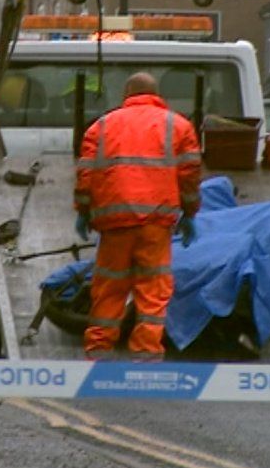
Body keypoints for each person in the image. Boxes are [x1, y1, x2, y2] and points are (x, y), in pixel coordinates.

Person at [74, 72, 202, 361]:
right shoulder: (178, 126)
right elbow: (190, 175)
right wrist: (190, 212)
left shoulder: (101, 127)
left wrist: (83, 211)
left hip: (115, 224)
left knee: (108, 288)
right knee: (153, 291)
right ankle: (145, 353)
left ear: (127, 95)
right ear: (157, 95)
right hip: (156, 224)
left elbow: (86, 176)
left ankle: (99, 351)